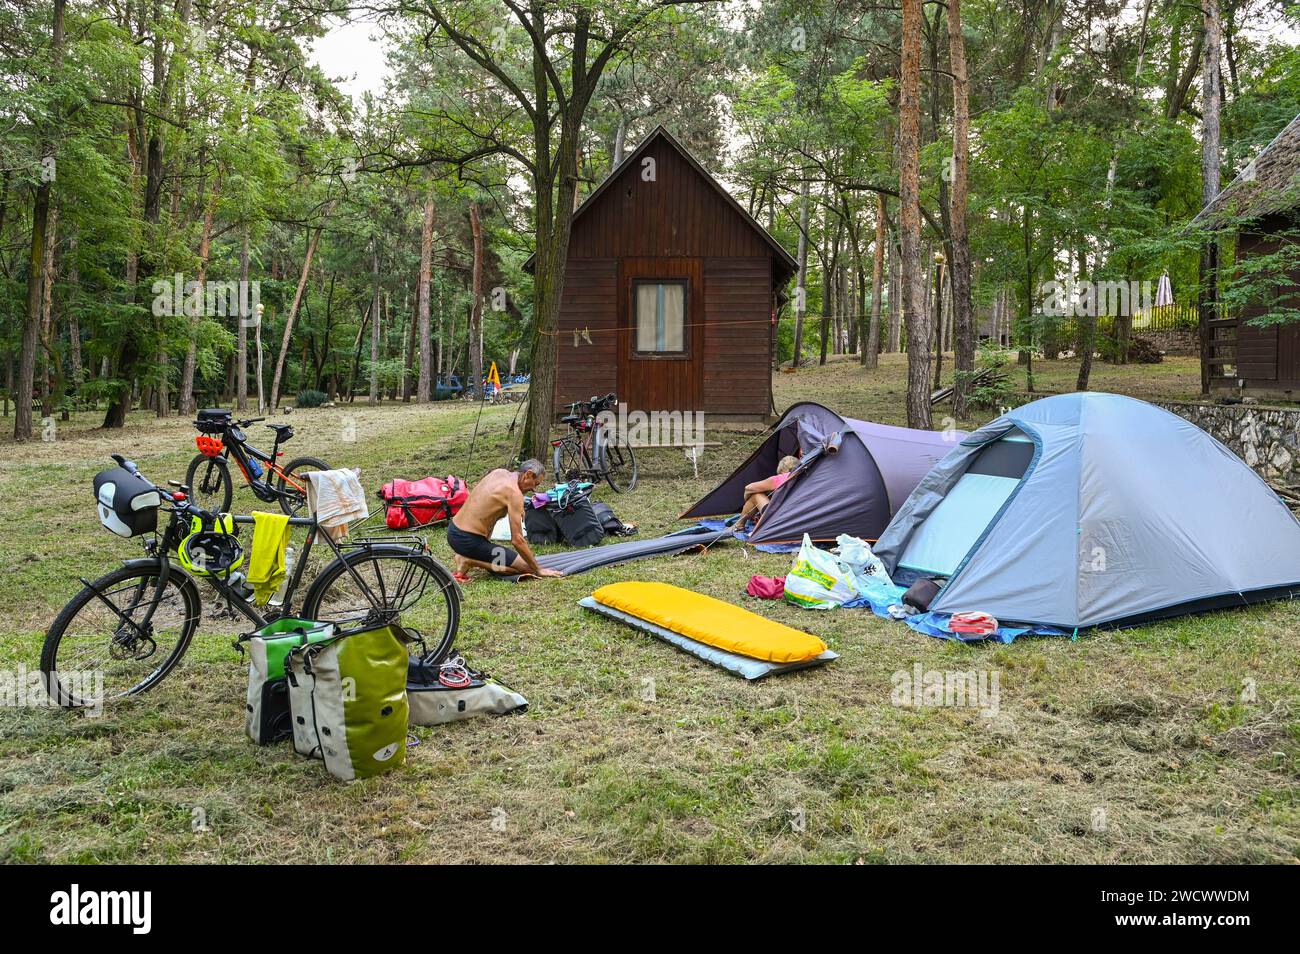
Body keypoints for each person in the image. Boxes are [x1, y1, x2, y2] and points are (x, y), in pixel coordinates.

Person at [448, 459, 563, 580]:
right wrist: (539, 569)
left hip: (454, 530)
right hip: (468, 541)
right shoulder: (514, 493)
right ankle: (468, 560)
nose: (534, 489)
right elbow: (517, 540)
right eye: (536, 483)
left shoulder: (499, 472)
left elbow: (487, 513)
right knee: (527, 568)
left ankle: (474, 556)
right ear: (528, 474)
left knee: (498, 556)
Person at [734, 455, 799, 535]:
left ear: (781, 469)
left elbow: (748, 488)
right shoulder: (803, 476)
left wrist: (747, 501)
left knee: (755, 495)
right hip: (798, 517)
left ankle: (739, 526)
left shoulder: (781, 478)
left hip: (780, 517)